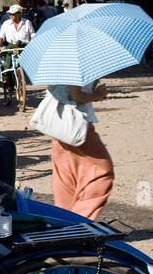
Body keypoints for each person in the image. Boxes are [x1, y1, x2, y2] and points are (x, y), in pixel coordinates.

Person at [46, 81, 113, 219]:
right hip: (76, 123)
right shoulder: (72, 62)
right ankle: (80, 220)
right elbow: (76, 95)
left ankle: (65, 222)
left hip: (58, 124)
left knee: (66, 175)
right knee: (102, 171)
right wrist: (97, 95)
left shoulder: (57, 62)